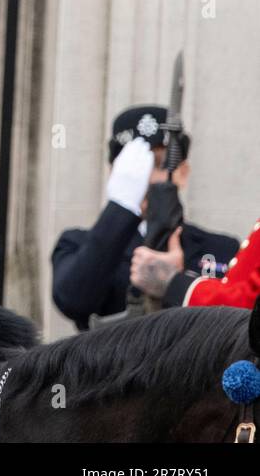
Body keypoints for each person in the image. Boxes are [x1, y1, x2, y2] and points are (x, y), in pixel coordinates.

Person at [50, 106, 237, 329]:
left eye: (158, 164)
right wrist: (122, 206)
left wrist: (177, 281)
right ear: (114, 173)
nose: (145, 179)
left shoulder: (222, 249)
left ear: (182, 173)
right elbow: (73, 301)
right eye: (136, 165)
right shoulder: (78, 244)